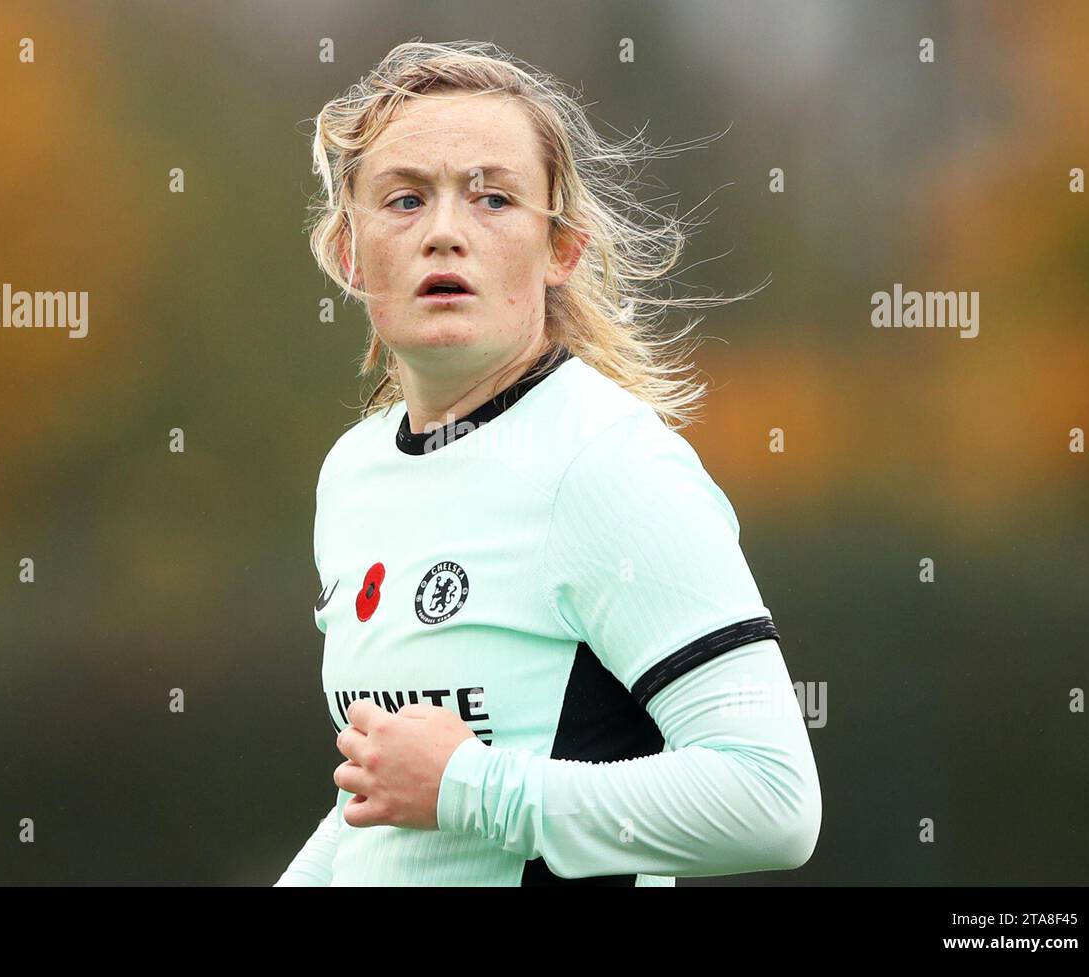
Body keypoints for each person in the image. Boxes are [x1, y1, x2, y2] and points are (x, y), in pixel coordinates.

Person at [275, 39, 821, 886]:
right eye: (405, 199)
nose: (446, 232)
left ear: (561, 249)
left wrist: (473, 787)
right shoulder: (352, 474)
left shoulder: (608, 465)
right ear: (349, 252)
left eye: (492, 198)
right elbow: (386, 807)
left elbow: (773, 799)